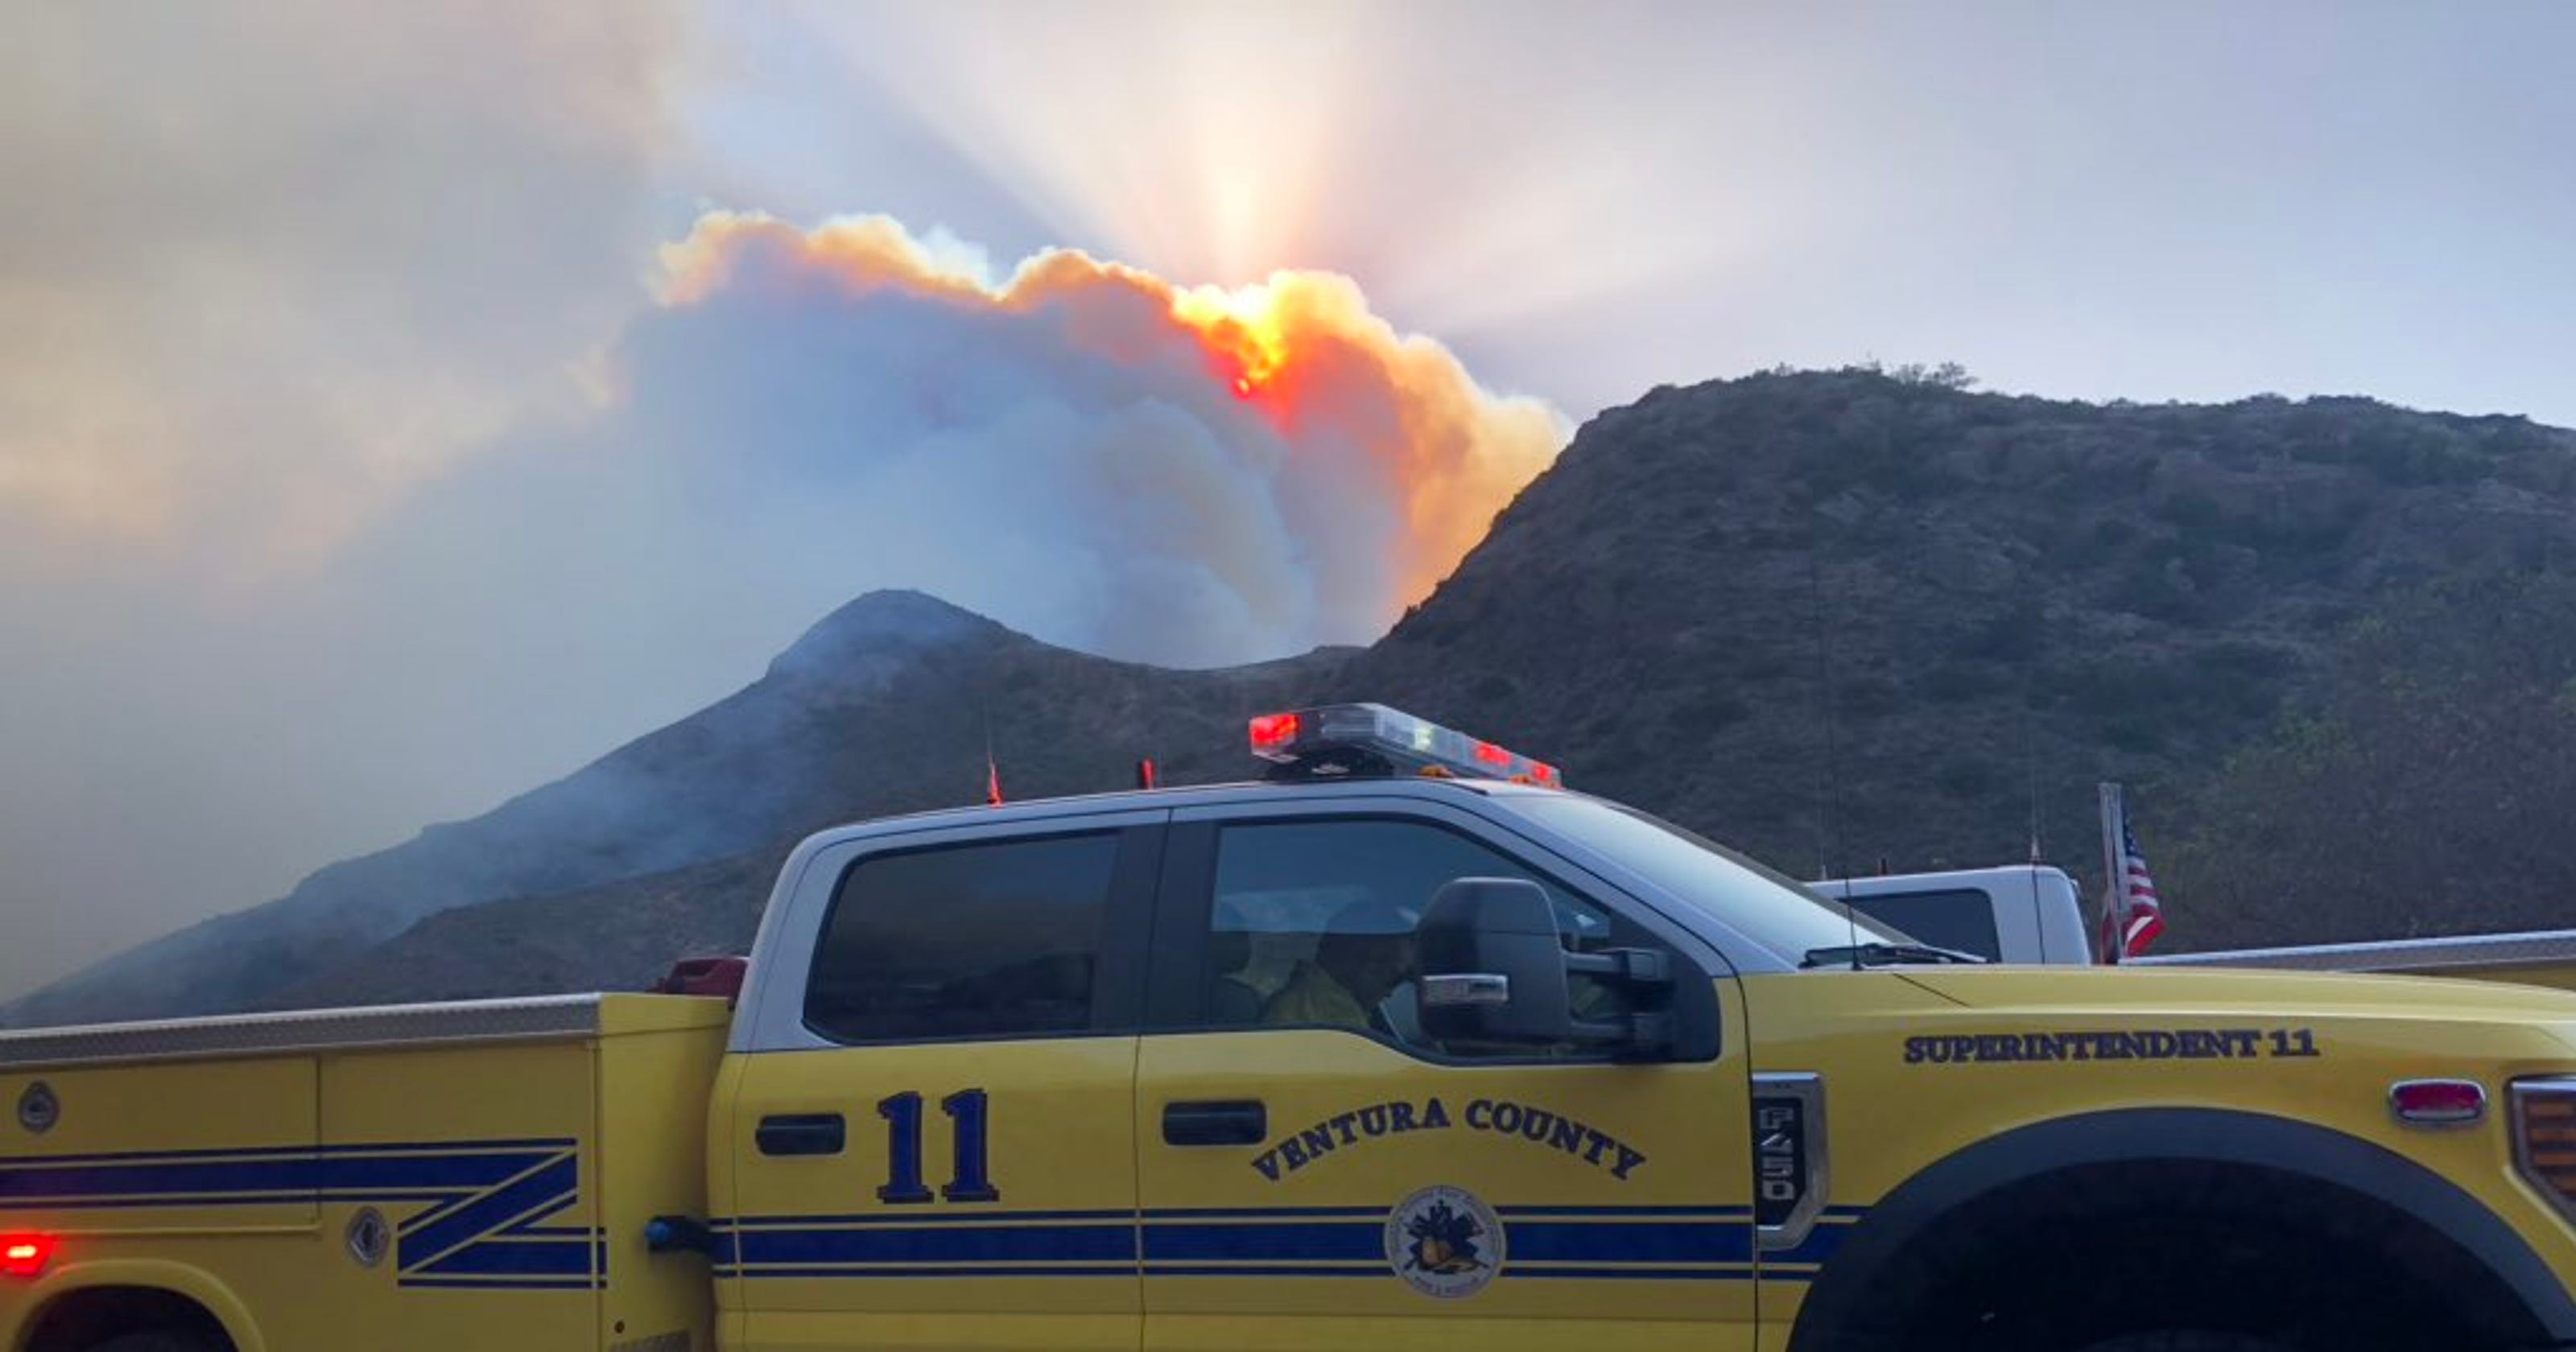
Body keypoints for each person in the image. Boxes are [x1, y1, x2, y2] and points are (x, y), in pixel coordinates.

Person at [1261, 897, 1418, 1033]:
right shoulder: (1334, 1021)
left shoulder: (1307, 1002)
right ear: (1361, 959)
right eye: (1394, 977)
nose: (1390, 993)